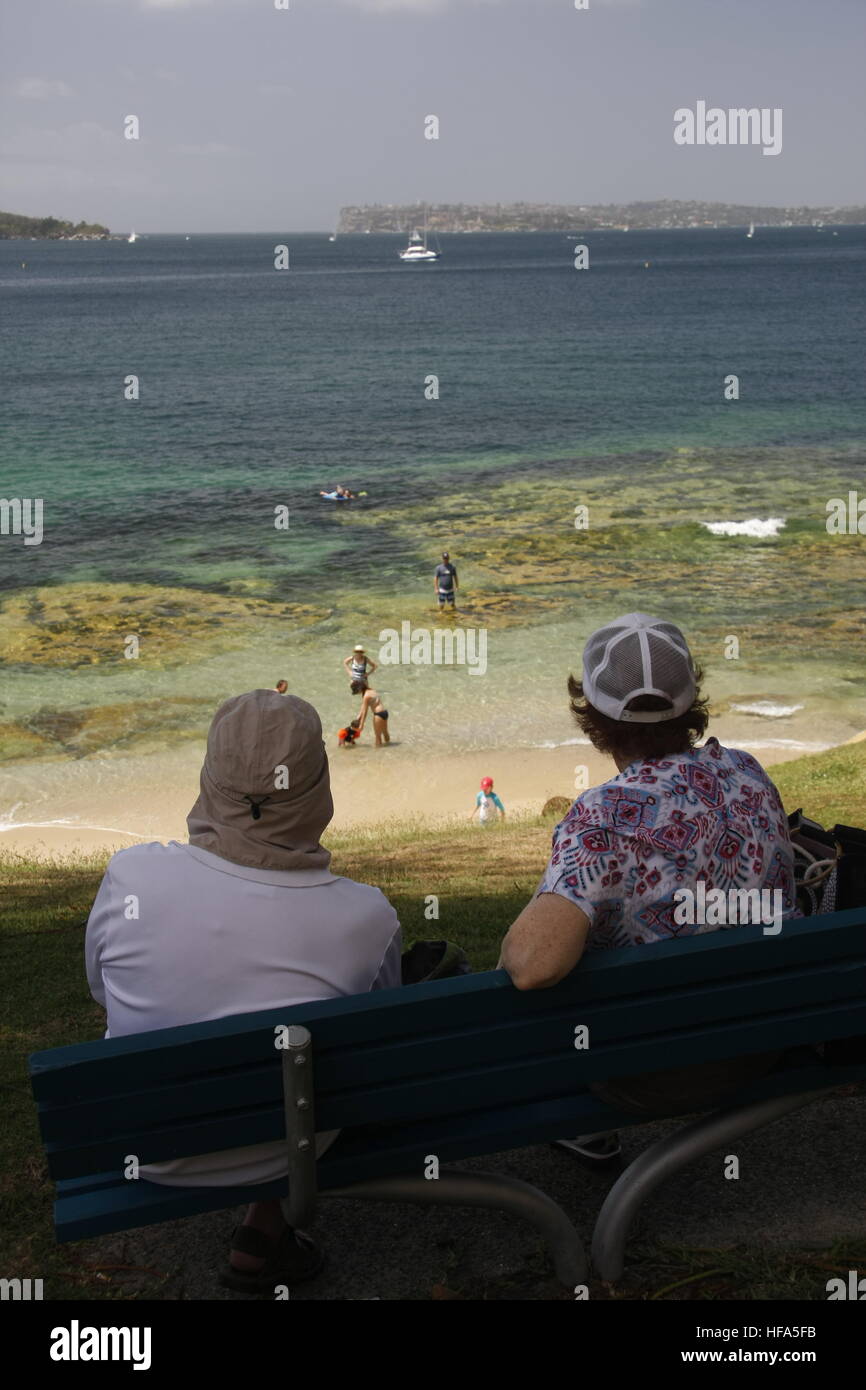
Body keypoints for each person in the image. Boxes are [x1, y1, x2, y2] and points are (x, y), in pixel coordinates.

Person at [85, 690, 401, 1290]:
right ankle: (268, 1219)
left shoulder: (133, 875)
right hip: (292, 1149)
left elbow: (103, 993)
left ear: (210, 778)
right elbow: (372, 1037)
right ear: (318, 788)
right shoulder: (368, 917)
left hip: (148, 1142)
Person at [498, 612, 798, 1165]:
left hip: (649, 1073)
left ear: (592, 715)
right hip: (764, 1044)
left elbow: (532, 965)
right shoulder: (747, 773)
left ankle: (585, 1128)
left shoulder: (603, 817)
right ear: (689, 701)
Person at [351, 679, 390, 747]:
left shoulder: (366, 696)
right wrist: (358, 717)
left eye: (356, 691)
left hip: (378, 715)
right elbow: (363, 708)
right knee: (385, 733)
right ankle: (389, 747)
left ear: (359, 689)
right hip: (384, 712)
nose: (357, 693)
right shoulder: (371, 690)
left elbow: (365, 711)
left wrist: (361, 725)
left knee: (378, 737)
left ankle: (378, 754)